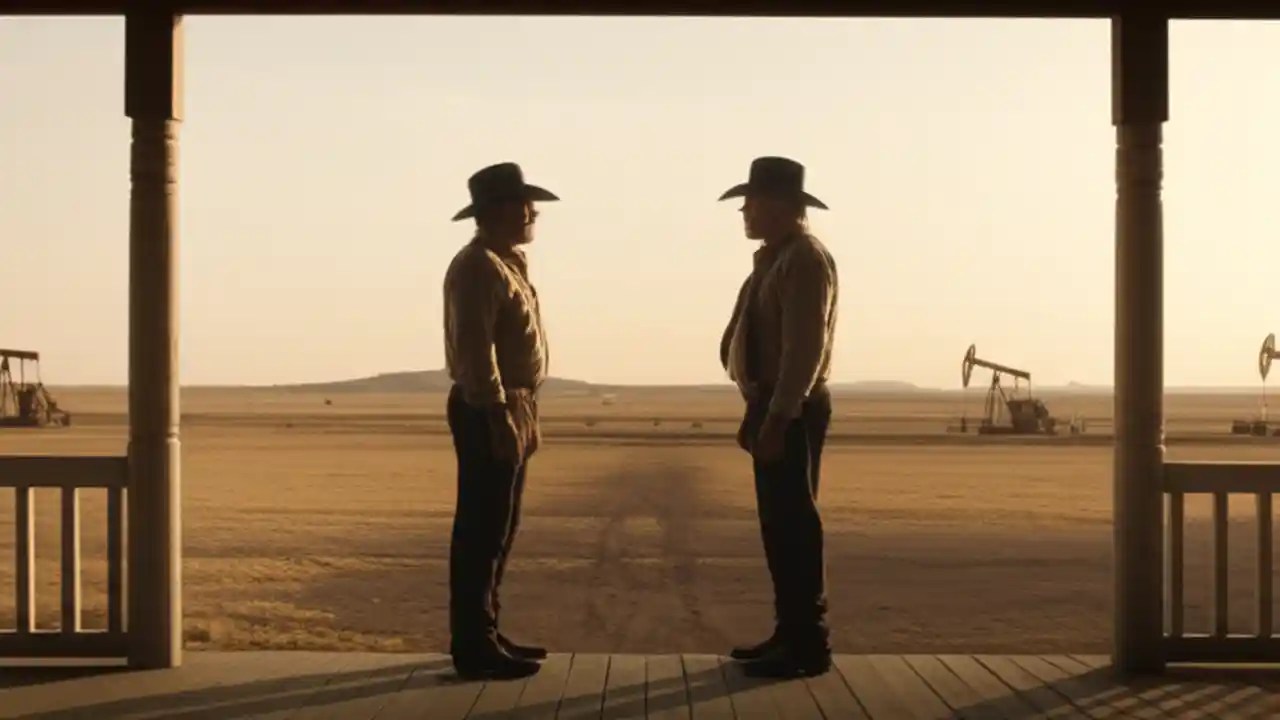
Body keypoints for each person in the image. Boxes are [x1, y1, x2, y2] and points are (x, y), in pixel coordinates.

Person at [718, 156, 839, 678]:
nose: (744, 210)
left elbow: (803, 351)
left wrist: (779, 417)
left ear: (780, 207)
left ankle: (807, 643)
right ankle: (789, 632)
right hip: (770, 403)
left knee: (794, 525)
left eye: (752, 201)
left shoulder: (804, 260)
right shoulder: (777, 258)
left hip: (789, 406)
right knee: (779, 525)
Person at [442, 161, 557, 679]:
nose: (533, 212)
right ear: (496, 212)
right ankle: (474, 644)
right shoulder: (478, 267)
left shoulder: (504, 264)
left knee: (502, 524)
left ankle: (487, 631)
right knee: (483, 528)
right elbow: (475, 348)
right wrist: (496, 414)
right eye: (523, 204)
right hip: (492, 406)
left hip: (514, 405)